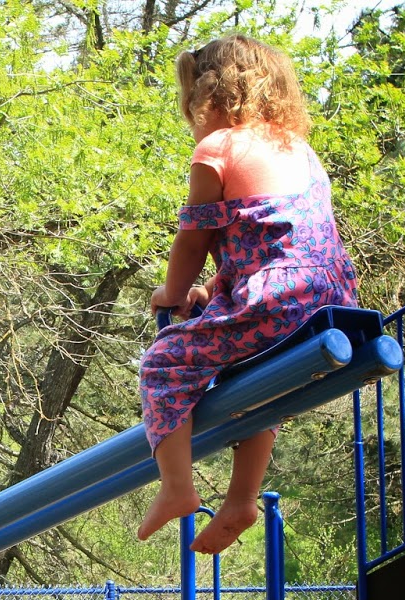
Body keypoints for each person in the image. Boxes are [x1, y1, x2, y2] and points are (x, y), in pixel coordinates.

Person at [138, 34, 359, 553]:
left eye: (192, 105)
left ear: (209, 96)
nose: (193, 120)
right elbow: (273, 240)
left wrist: (172, 292)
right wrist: (216, 293)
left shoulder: (218, 147)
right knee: (257, 378)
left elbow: (193, 241)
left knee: (164, 364)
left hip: (277, 296)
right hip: (331, 296)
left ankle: (177, 487)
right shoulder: (298, 149)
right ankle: (242, 500)